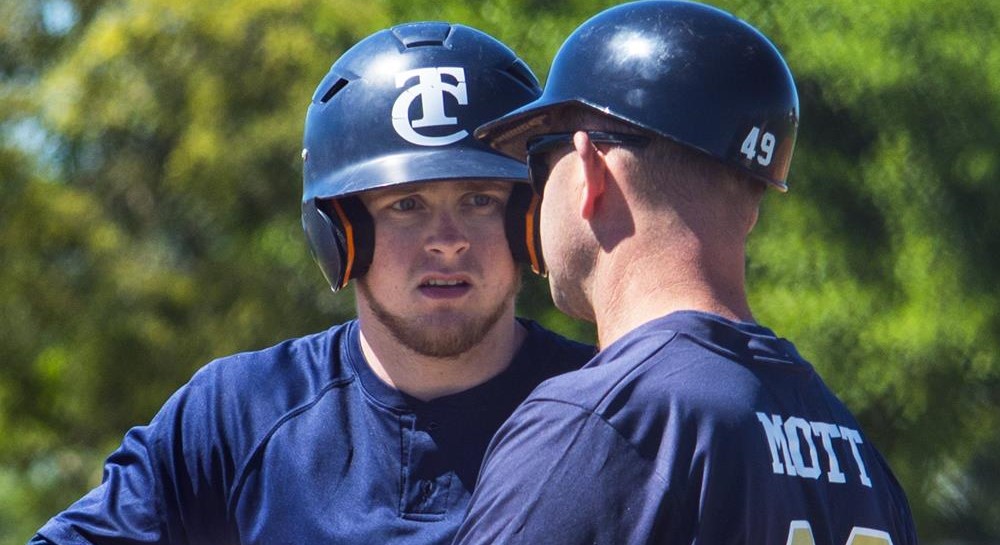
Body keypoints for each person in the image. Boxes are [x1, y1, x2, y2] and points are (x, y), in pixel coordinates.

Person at [29, 22, 593, 545]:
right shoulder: (237, 415)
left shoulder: (613, 412)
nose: (447, 240)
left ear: (530, 218)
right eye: (406, 204)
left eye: (479, 199)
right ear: (341, 231)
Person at [454, 2, 918, 544]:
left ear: (589, 169)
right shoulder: (856, 452)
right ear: (751, 205)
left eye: (538, 158)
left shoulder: (604, 424)